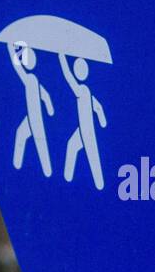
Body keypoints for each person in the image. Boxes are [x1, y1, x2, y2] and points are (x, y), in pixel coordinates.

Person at [60, 55, 107, 190]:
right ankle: (67, 178)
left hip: (87, 131)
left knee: (93, 157)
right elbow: (98, 107)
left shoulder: (82, 90)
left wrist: (62, 58)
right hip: (81, 129)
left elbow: (69, 78)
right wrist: (102, 120)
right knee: (71, 146)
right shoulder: (87, 90)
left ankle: (99, 184)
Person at [9, 42, 54, 177]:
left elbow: (45, 95)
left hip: (36, 118)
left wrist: (11, 50)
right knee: (21, 134)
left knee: (40, 143)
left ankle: (47, 171)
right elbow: (46, 96)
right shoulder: (32, 79)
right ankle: (16, 166)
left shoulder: (31, 79)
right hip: (31, 116)